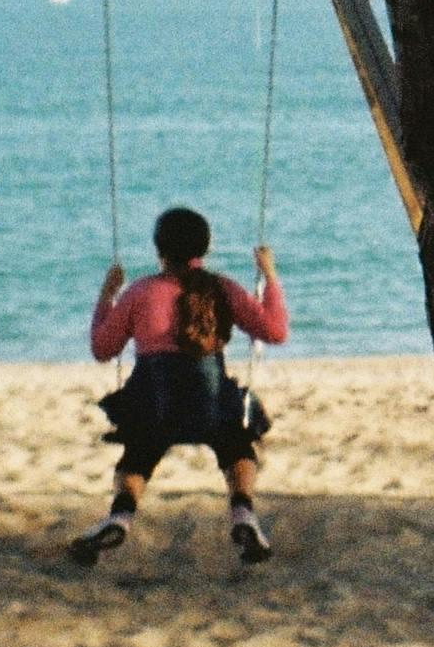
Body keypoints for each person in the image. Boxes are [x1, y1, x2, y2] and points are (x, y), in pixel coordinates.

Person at [70, 206, 288, 566]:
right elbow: (276, 331)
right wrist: (269, 274)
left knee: (138, 451)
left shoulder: (141, 292)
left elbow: (102, 349)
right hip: (213, 408)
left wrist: (107, 295)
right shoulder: (223, 289)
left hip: (154, 408)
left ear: (160, 249)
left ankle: (121, 516)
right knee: (237, 441)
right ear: (205, 248)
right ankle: (243, 512)